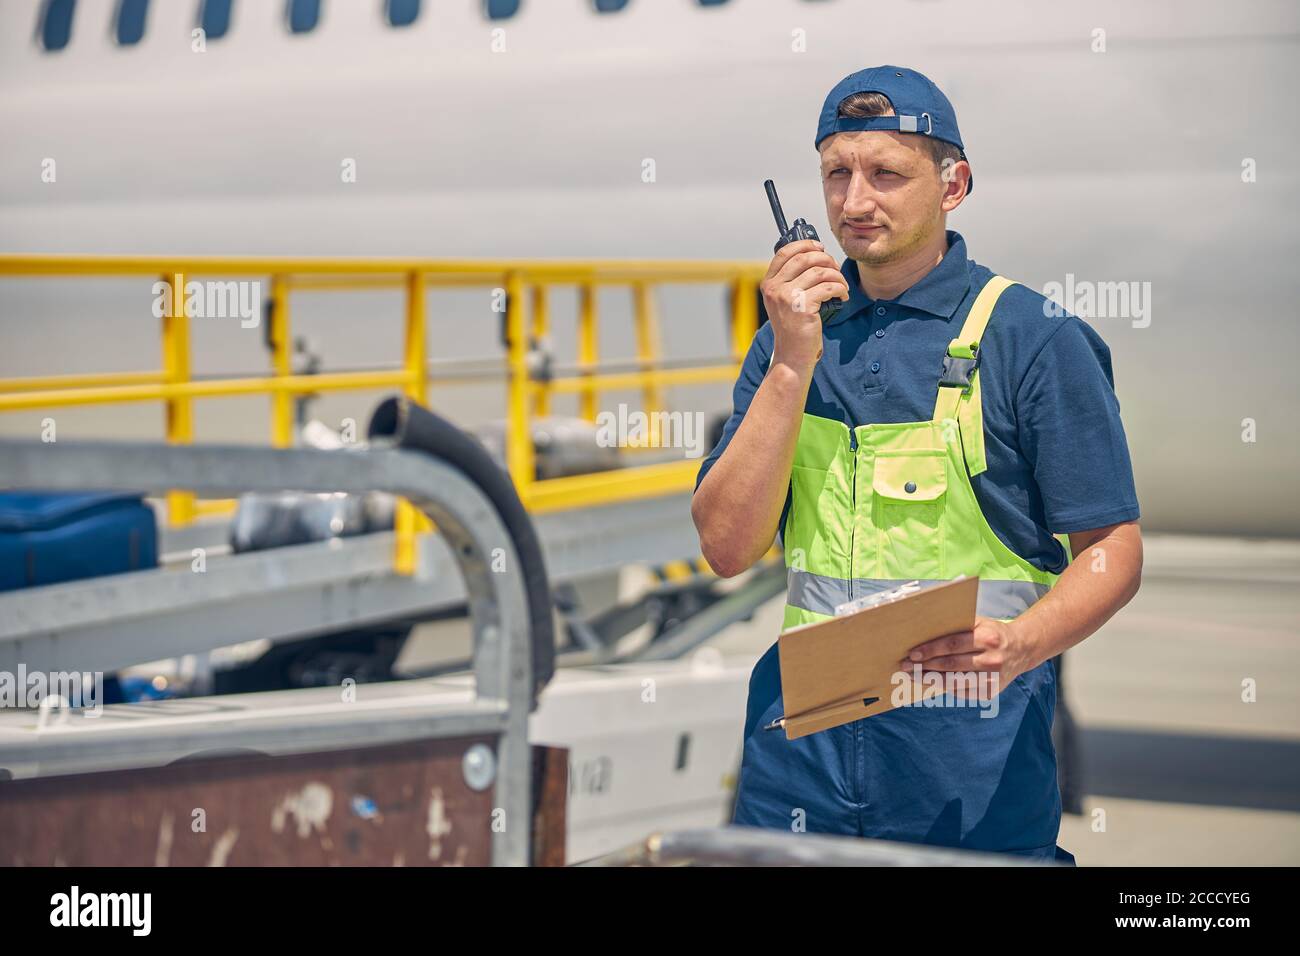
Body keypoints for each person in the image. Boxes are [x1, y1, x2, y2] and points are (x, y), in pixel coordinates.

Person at [691, 66, 1143, 863]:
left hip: (968, 748)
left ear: (953, 184)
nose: (854, 203)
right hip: (801, 743)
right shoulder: (791, 340)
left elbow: (1113, 549)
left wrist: (1024, 644)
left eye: (886, 175)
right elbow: (727, 548)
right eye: (837, 174)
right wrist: (793, 362)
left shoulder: (1032, 338)